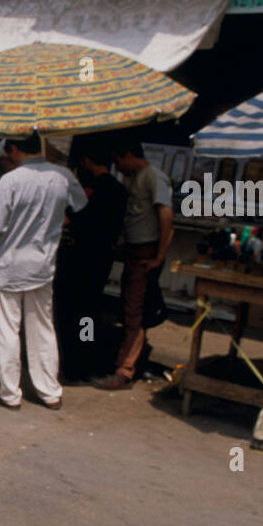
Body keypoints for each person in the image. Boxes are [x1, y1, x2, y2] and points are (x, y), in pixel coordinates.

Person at [0, 133, 88, 410]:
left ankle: (10, 393)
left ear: (14, 149)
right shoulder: (62, 176)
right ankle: (49, 391)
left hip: (6, 266)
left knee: (6, 330)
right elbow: (80, 207)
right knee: (42, 329)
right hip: (42, 265)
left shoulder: (10, 181)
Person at [94, 135, 174, 391]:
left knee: (134, 313)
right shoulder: (137, 180)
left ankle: (125, 369)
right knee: (129, 308)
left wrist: (159, 256)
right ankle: (125, 362)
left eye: (119, 161)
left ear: (129, 155)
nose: (118, 167)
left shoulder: (153, 177)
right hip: (134, 250)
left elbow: (165, 215)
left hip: (145, 253)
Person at [54, 136, 127, 384]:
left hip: (80, 259)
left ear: (86, 161)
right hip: (101, 259)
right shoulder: (119, 190)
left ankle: (73, 365)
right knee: (89, 312)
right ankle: (87, 360)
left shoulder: (93, 192)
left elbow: (76, 219)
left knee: (70, 314)